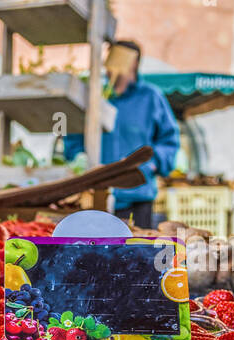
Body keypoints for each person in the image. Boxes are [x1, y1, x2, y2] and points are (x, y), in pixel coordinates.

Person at [64, 40, 180, 229]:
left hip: (137, 198)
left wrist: (151, 164)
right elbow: (73, 137)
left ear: (133, 63)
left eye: (116, 57)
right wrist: (80, 159)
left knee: (134, 254)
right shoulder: (93, 96)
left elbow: (170, 141)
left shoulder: (151, 97)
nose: (108, 65)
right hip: (93, 199)